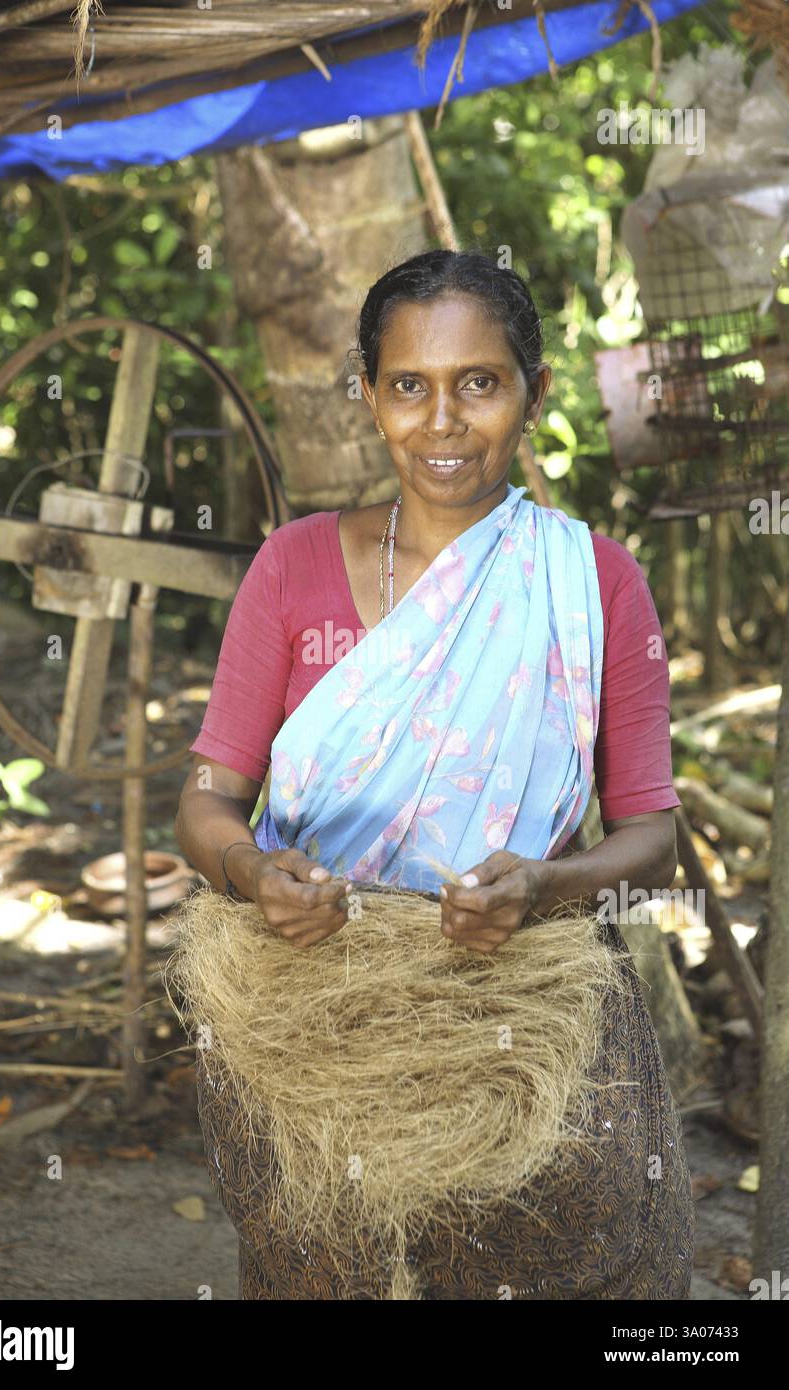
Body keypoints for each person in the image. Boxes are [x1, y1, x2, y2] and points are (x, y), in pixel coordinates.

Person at [175, 249, 694, 1299]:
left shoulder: (590, 582)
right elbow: (206, 803)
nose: (442, 420)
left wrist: (542, 887)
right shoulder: (292, 568)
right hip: (311, 1014)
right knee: (324, 1258)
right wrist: (252, 872)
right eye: (408, 385)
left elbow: (651, 829)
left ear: (532, 394)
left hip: (523, 1014)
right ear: (369, 397)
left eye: (479, 383)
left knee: (553, 1254)